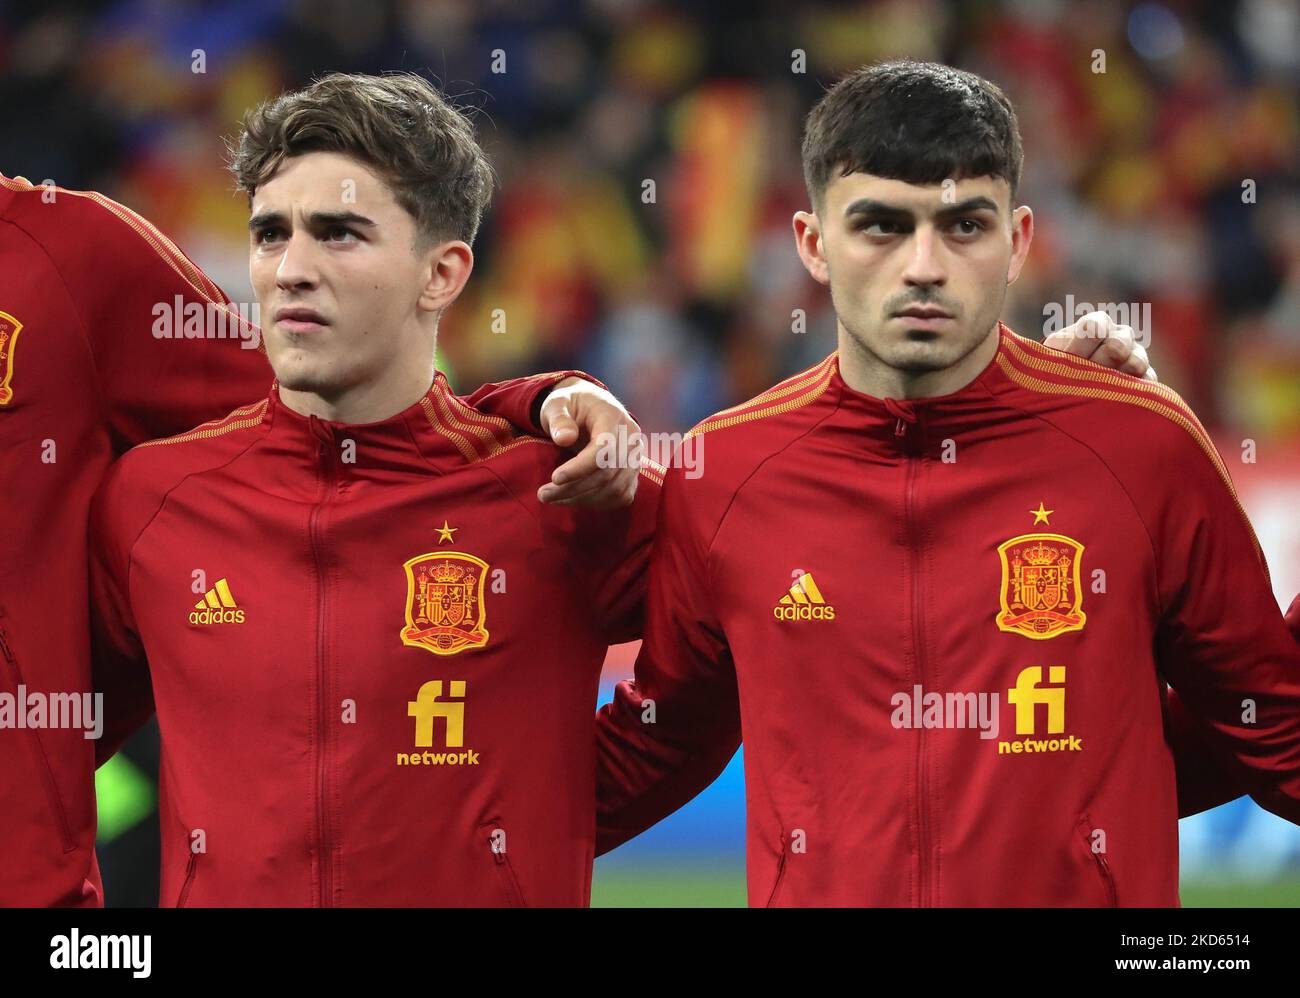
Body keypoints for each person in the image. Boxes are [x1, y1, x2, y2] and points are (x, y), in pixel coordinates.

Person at [593, 60, 1300, 907]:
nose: (923, 266)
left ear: (1020, 242)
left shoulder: (1144, 447)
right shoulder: (729, 475)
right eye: (882, 227)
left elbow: (1270, 728)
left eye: (963, 226)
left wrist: (1100, 800)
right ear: (813, 245)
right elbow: (653, 749)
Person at [0, 164, 631, 908]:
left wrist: (530, 405)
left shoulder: (60, 251)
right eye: (274, 234)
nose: (295, 266)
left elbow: (314, 417)